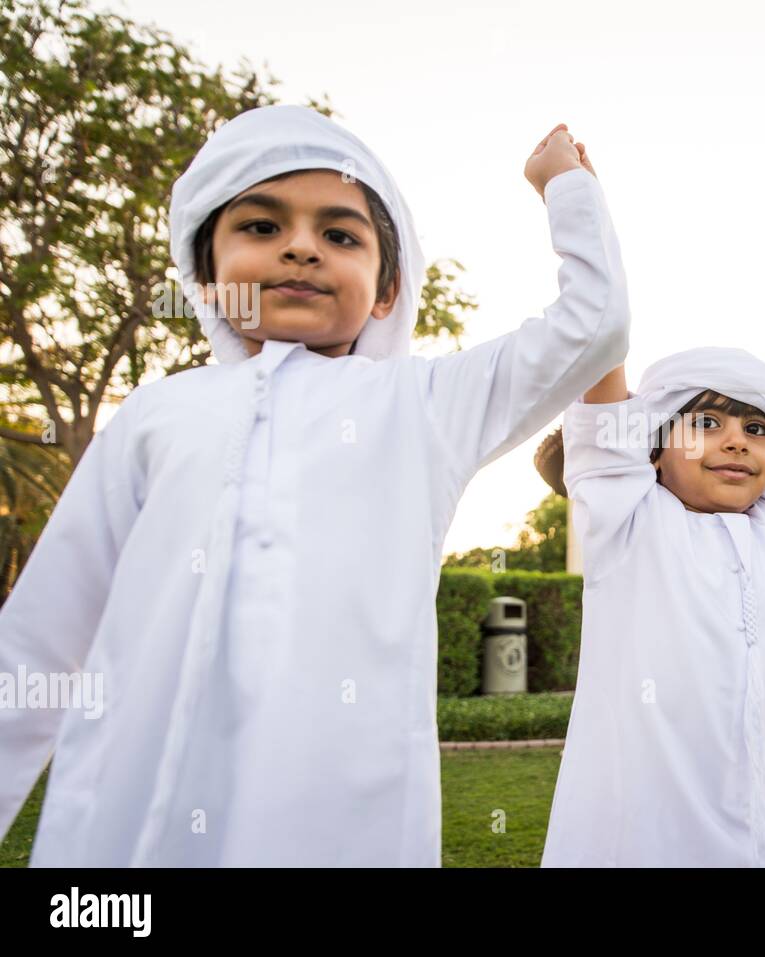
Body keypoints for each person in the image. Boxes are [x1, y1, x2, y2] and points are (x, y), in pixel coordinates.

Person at [0, 105, 630, 866]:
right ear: (205, 276)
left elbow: (594, 324)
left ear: (388, 288)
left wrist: (566, 183)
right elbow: (41, 638)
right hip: (133, 827)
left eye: (340, 234)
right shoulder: (156, 414)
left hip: (345, 820)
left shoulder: (424, 405)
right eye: (261, 227)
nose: (300, 247)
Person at [541, 222, 765, 866]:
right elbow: (604, 360)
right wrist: (585, 212)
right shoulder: (629, 524)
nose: (737, 440)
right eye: (707, 422)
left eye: (756, 427)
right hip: (650, 835)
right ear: (654, 448)